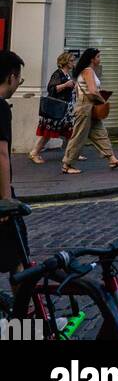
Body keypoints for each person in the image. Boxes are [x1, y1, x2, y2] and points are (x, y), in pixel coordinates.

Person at [62, 48, 118, 174]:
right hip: (85, 107)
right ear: (92, 59)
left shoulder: (87, 71)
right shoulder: (88, 71)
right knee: (79, 136)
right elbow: (92, 91)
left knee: (100, 133)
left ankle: (112, 159)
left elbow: (79, 89)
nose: (100, 59)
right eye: (98, 57)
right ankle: (67, 164)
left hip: (89, 106)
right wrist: (103, 100)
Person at [0, 50, 29, 279]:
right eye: (19, 79)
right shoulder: (0, 108)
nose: (18, 84)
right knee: (19, 259)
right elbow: (1, 154)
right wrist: (6, 198)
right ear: (11, 76)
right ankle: (25, 314)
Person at [30, 50, 77, 164]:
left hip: (65, 108)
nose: (73, 63)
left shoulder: (67, 75)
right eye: (71, 60)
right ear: (65, 62)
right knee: (47, 134)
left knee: (70, 132)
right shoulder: (58, 74)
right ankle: (34, 153)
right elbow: (52, 88)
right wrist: (66, 85)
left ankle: (72, 154)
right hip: (56, 108)